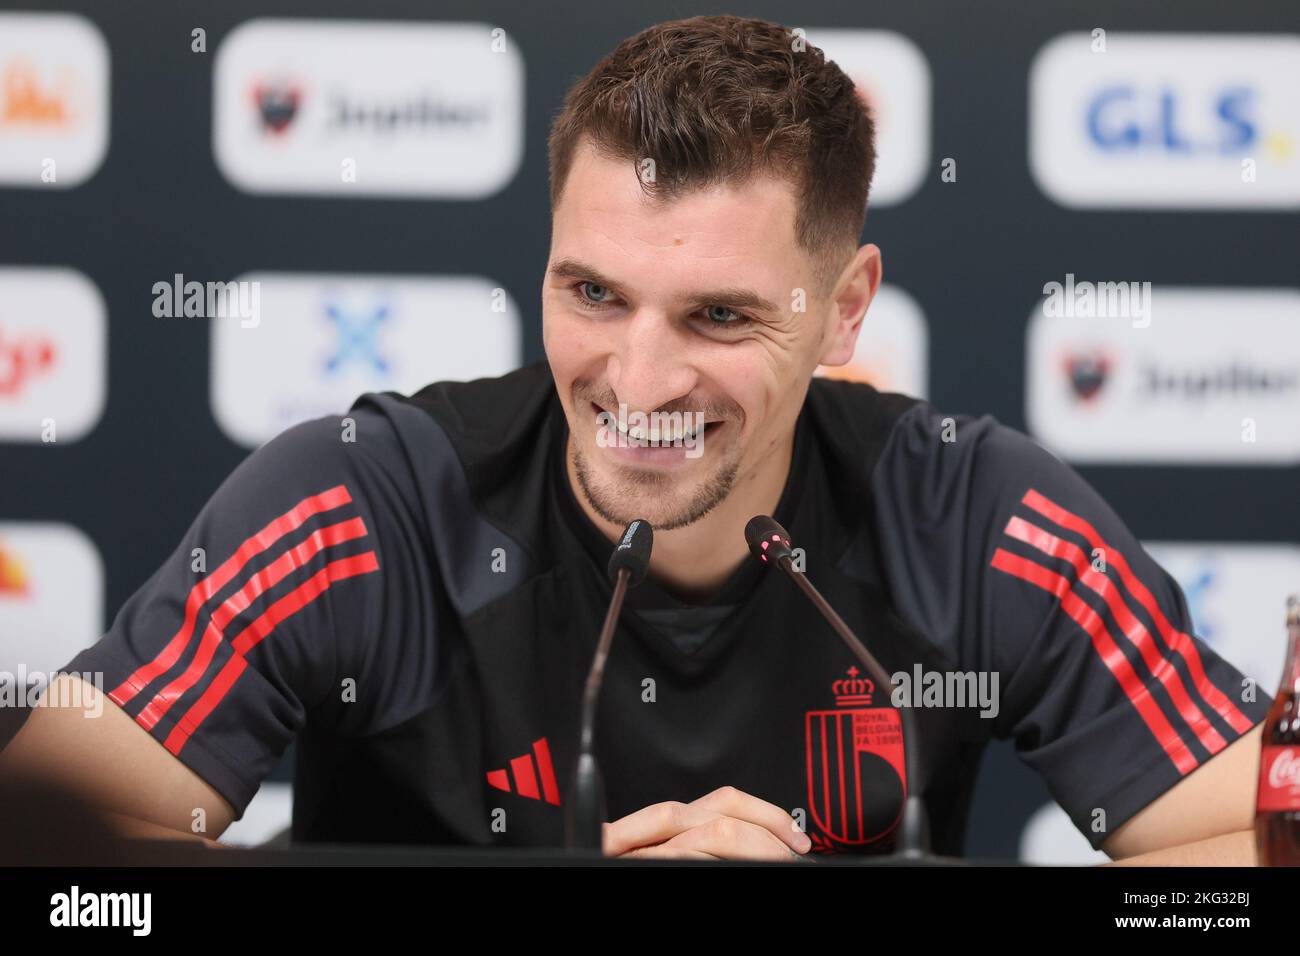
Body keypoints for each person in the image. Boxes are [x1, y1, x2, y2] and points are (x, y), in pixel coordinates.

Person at [0, 14, 1267, 863]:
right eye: (593, 293)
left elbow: (1237, 849)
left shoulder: (977, 518)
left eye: (718, 314)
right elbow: (52, 846)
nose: (638, 378)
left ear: (843, 311)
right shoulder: (359, 503)